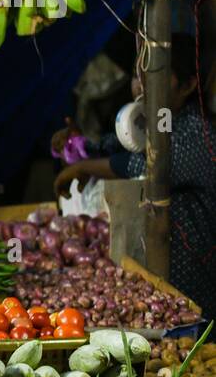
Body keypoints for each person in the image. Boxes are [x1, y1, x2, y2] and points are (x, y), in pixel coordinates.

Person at [53, 32, 216, 315]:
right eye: (137, 76)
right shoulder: (150, 124)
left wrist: (84, 167)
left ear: (188, 85)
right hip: (153, 277)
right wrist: (77, 144)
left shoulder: (199, 133)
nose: (142, 87)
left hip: (192, 280)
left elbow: (155, 169)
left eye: (155, 76)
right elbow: (112, 145)